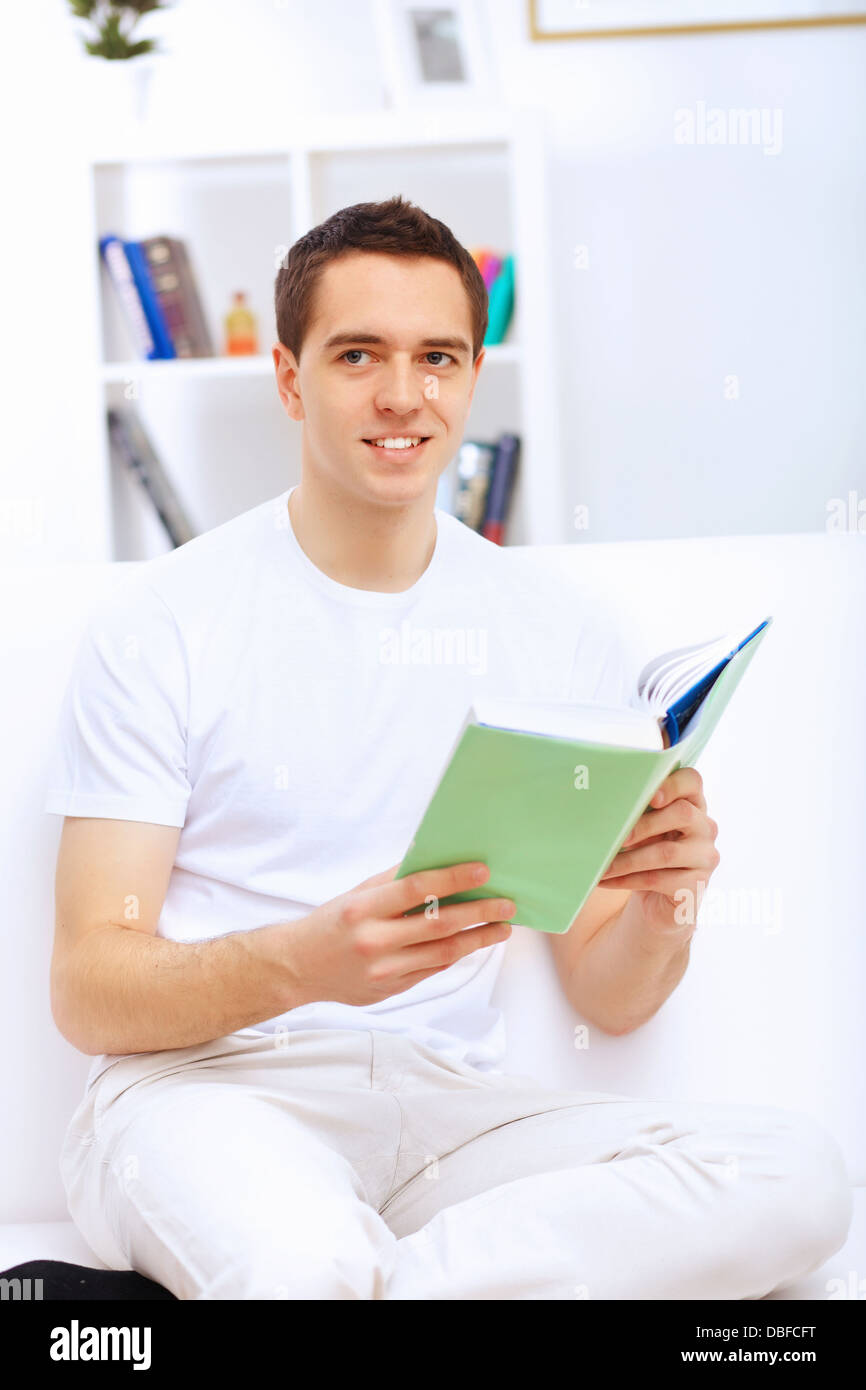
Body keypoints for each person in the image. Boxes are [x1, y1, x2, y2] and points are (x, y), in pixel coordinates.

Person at [46, 196, 852, 1300]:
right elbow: (92, 985)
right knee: (301, 1261)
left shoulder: (556, 626)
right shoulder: (162, 623)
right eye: (356, 355)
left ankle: (382, 1290)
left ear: (471, 375)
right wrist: (302, 962)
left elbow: (610, 992)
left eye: (436, 357)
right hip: (211, 1091)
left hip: (449, 1116)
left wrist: (668, 895)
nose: (401, 395)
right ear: (288, 378)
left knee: (794, 1177)